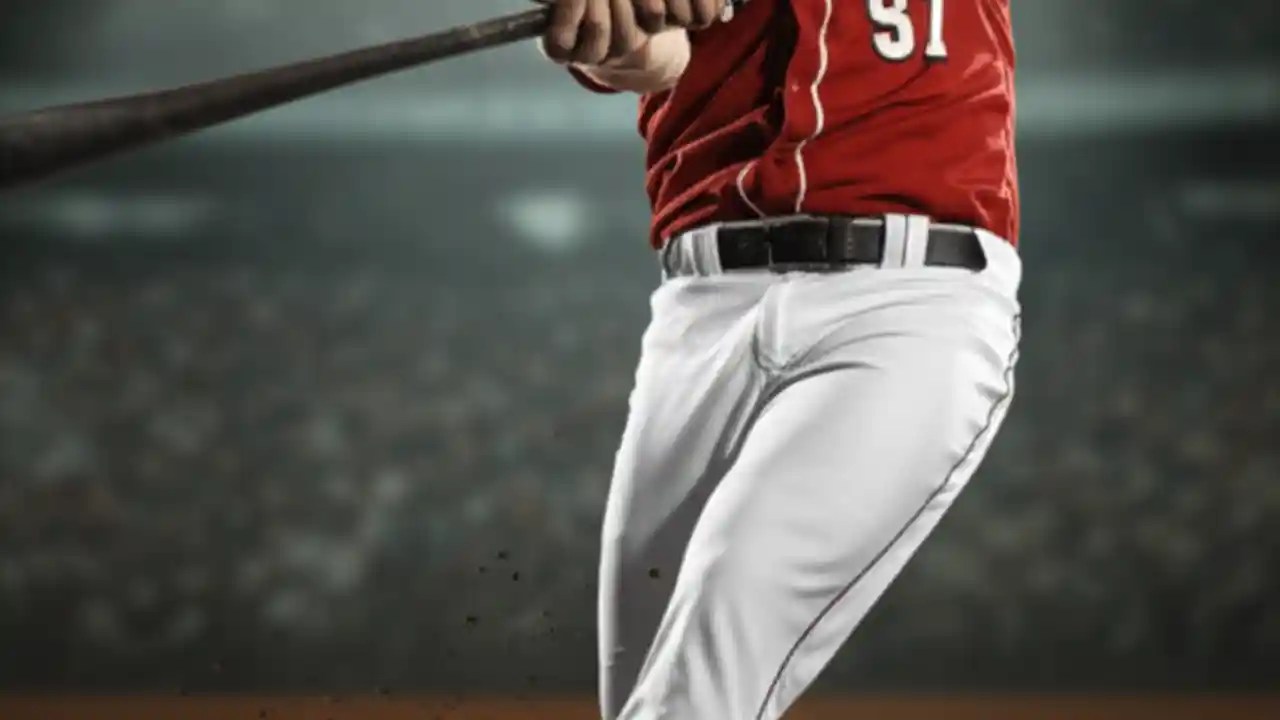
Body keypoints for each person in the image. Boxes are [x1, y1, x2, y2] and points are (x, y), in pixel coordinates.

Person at [540, 1, 1022, 717]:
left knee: (697, 687)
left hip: (905, 297)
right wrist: (616, 21)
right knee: (649, 694)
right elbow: (657, 59)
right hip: (700, 307)